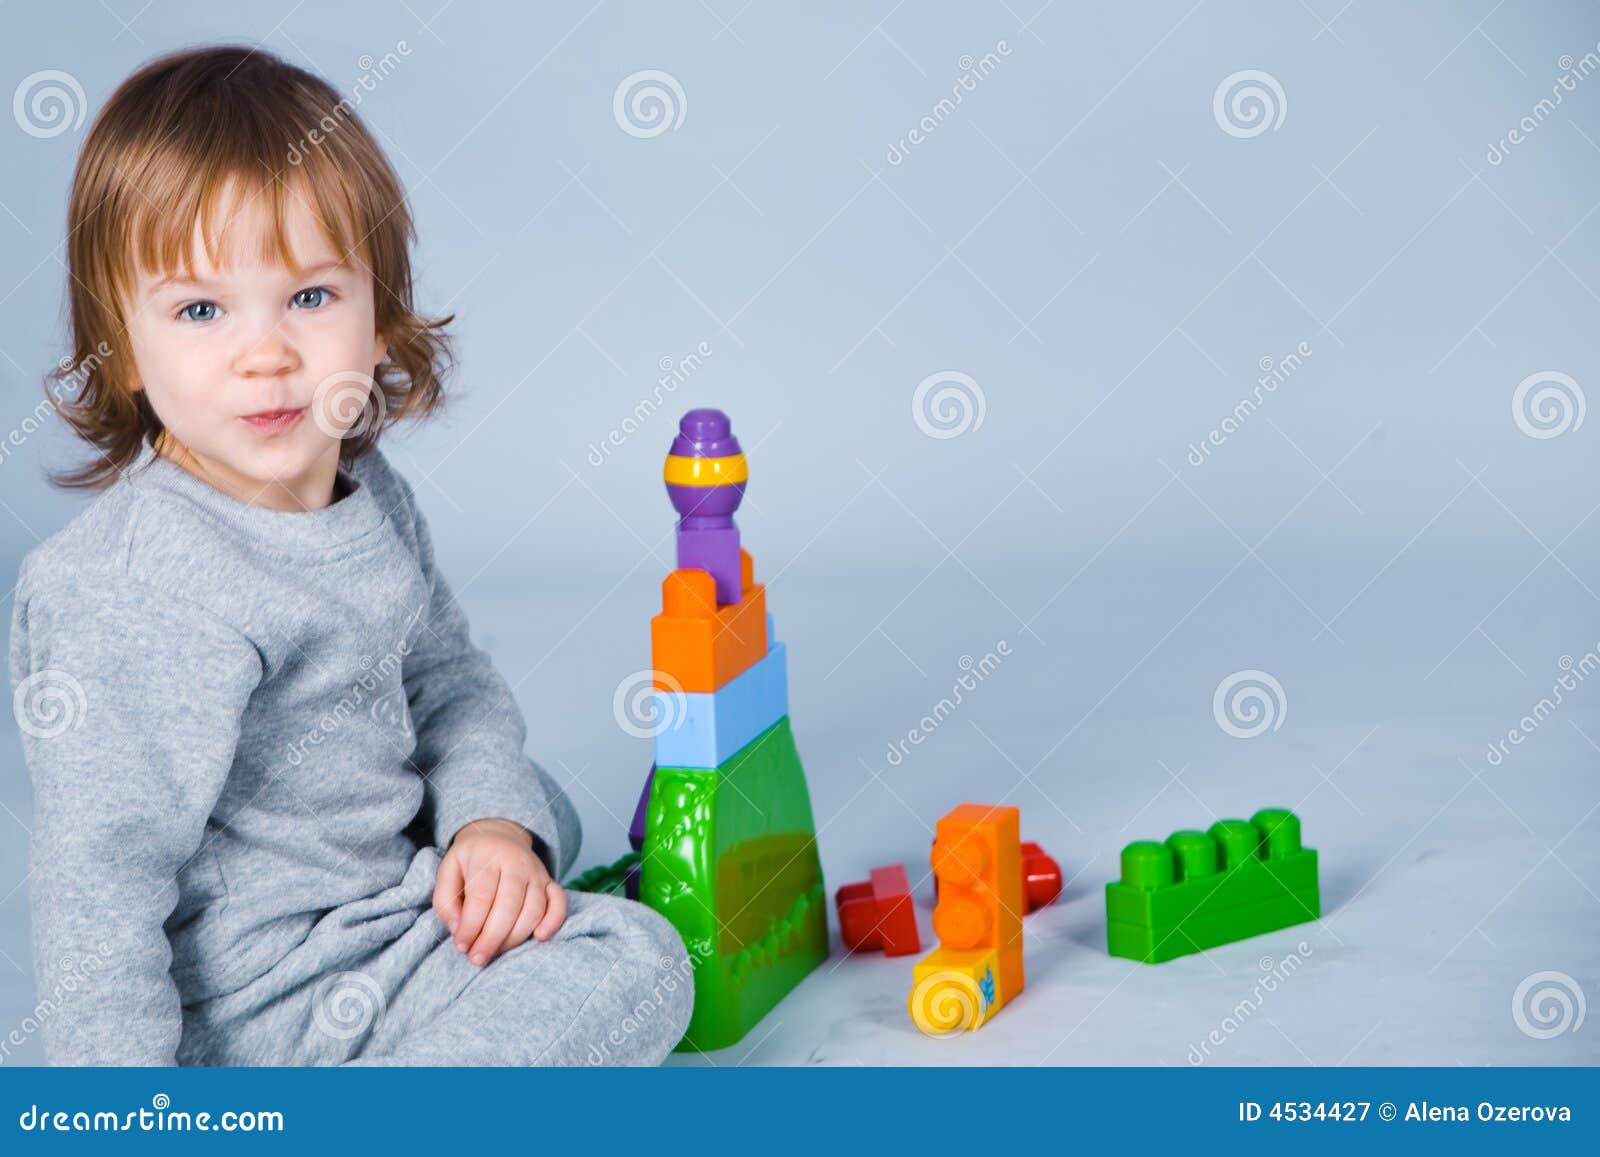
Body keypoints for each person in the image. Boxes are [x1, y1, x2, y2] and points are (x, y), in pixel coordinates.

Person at [7, 44, 692, 1066]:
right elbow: (98, 886)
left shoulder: (363, 492)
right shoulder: (131, 589)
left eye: (312, 296)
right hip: (269, 996)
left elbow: (446, 678)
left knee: (532, 801)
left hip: (372, 876)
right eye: (201, 310)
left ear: (380, 315)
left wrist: (490, 828)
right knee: (638, 958)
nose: (266, 351)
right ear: (125, 344)